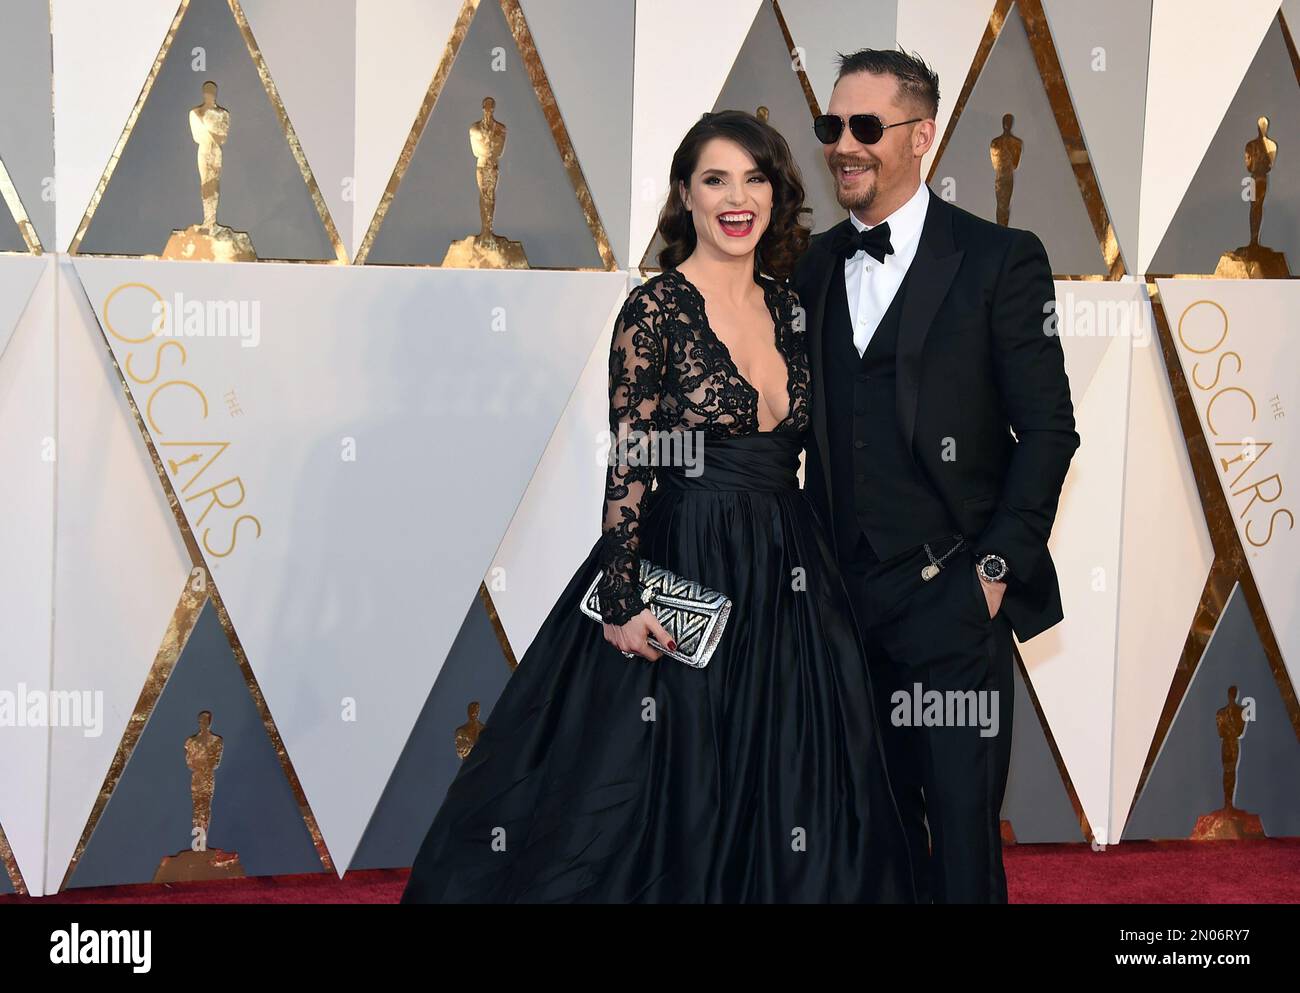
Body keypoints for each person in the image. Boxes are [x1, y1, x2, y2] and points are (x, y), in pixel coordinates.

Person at [401, 110, 915, 903]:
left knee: (796, 772)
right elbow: (634, 454)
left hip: (792, 573)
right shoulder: (655, 309)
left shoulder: (793, 305)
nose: (736, 197)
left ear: (777, 194)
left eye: (753, 178)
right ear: (686, 195)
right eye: (715, 179)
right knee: (669, 782)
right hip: (691, 554)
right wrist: (619, 594)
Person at [793, 49, 1079, 903]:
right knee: (864, 842)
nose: (844, 145)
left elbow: (1051, 431)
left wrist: (992, 572)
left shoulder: (999, 260)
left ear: (921, 136)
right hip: (839, 606)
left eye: (866, 127)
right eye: (832, 127)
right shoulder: (809, 266)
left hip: (951, 601)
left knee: (960, 845)